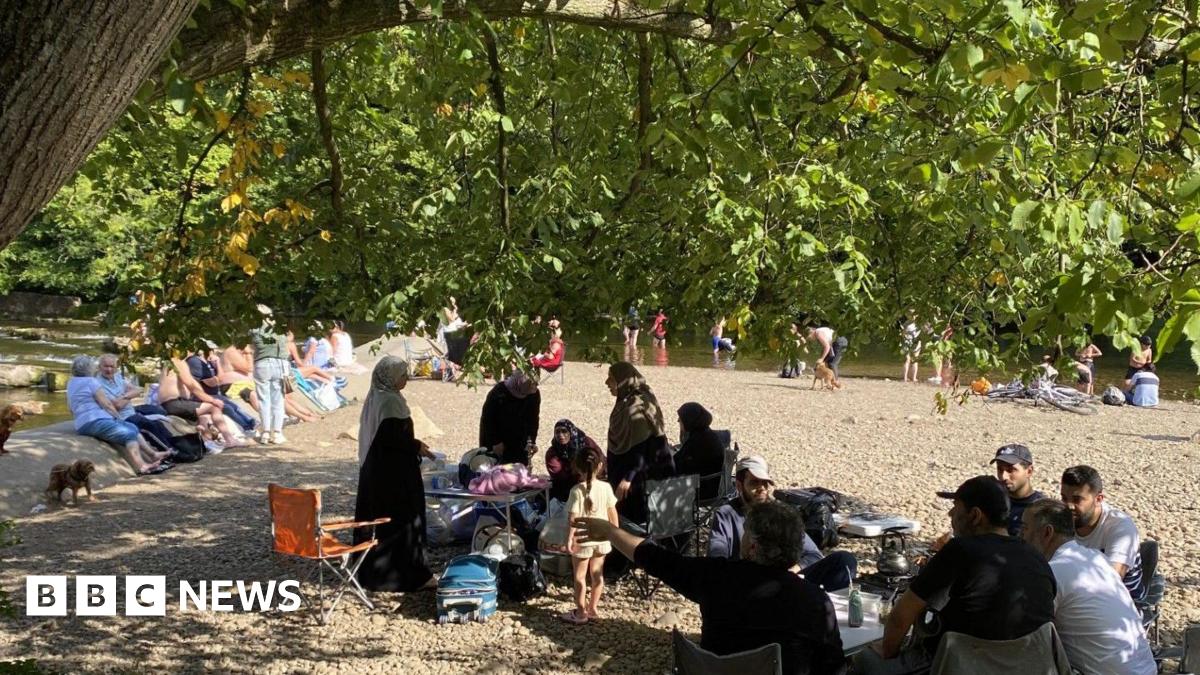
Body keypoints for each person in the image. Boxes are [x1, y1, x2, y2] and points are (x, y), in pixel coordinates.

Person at [574, 500, 846, 674]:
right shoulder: (815, 601)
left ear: (752, 546)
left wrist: (610, 531)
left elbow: (654, 558)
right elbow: (832, 667)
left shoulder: (716, 578)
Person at [853, 476, 1056, 675]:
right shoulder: (1036, 557)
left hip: (960, 664)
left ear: (975, 516)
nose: (950, 514)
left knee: (865, 659)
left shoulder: (960, 550)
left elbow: (900, 617)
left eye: (955, 508)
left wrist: (887, 653)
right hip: (1028, 665)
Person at [1020, 500, 1157, 675]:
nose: (1020, 536)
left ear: (1047, 533)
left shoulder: (1053, 573)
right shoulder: (1096, 559)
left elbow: (1026, 632)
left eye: (1024, 529)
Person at [709, 456, 856, 591]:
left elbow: (813, 555)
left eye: (765, 483)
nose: (761, 488)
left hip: (784, 580)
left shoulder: (780, 512)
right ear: (739, 486)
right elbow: (717, 560)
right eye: (754, 483)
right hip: (747, 583)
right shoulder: (726, 514)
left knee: (844, 560)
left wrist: (791, 572)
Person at [353, 356, 437, 591]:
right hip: (394, 475)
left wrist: (414, 444)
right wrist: (416, 446)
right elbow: (393, 440)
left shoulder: (377, 397)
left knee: (381, 519)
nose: (406, 379)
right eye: (402, 375)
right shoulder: (389, 401)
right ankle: (406, 575)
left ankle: (373, 574)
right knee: (403, 520)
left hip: (377, 470)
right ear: (390, 378)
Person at [67, 356, 168, 475]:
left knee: (132, 427)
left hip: (82, 423)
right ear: (90, 368)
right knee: (129, 434)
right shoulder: (91, 382)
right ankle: (142, 466)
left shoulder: (71, 382)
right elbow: (107, 404)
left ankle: (153, 455)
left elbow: (71, 408)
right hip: (95, 420)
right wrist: (118, 417)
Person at [1060, 465, 1145, 600]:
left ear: (1098, 499)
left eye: (1077, 500)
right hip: (1075, 597)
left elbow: (1111, 580)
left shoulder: (1120, 527)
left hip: (1122, 603)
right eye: (1064, 498)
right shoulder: (1061, 520)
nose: (1068, 506)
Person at [604, 361, 673, 522]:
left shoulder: (635, 408)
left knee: (632, 522)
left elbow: (641, 448)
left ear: (623, 381)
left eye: (611, 379)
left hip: (640, 478)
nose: (606, 383)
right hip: (626, 470)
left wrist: (628, 478)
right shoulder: (626, 401)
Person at [561, 449, 619, 625]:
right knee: (597, 574)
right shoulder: (606, 487)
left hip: (582, 539)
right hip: (602, 537)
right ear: (600, 466)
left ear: (577, 467)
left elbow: (573, 519)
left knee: (580, 577)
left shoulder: (576, 491)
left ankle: (580, 612)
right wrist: (615, 533)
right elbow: (613, 513)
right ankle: (593, 608)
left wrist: (569, 539)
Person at [95, 354, 179, 453]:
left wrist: (124, 396)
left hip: (131, 411)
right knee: (148, 424)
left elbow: (138, 390)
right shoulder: (97, 383)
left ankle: (177, 445)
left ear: (116, 367)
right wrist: (130, 395)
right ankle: (170, 451)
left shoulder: (117, 377)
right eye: (106, 366)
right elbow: (117, 406)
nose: (109, 370)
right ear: (99, 367)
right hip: (121, 417)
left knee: (159, 419)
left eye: (111, 366)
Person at [157, 357, 247, 447]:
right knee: (214, 408)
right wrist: (212, 400)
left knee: (204, 416)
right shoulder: (177, 362)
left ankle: (207, 442)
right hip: (173, 403)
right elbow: (191, 384)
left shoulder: (168, 364)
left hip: (169, 403)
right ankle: (230, 440)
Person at [185, 343, 257, 433]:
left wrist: (218, 363)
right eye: (211, 350)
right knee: (227, 407)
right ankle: (246, 426)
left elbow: (220, 377)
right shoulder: (195, 361)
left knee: (232, 405)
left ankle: (250, 422)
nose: (213, 352)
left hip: (213, 394)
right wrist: (216, 379)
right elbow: (211, 383)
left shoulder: (208, 362)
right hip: (200, 395)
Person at [478, 371, 541, 465]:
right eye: (531, 384)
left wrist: (532, 441)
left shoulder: (533, 393)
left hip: (520, 438)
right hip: (497, 437)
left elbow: (533, 420)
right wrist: (495, 442)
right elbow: (488, 420)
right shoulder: (499, 392)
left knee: (518, 469)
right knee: (495, 468)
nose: (534, 388)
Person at [251, 305, 290, 445]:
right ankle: (277, 432)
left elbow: (255, 345)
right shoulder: (280, 328)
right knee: (278, 399)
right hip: (280, 363)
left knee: (264, 399)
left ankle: (266, 432)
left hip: (262, 363)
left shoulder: (254, 329)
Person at [672, 402, 725, 500]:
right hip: (710, 485)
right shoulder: (705, 434)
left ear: (689, 420)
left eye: (681, 419)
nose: (678, 421)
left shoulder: (699, 441)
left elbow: (679, 465)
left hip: (701, 490)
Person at [991, 443, 1045, 537]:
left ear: (1029, 471)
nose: (1004, 476)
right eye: (1000, 469)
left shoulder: (1041, 509)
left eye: (1011, 470)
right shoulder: (993, 503)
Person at [545, 419, 604, 502]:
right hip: (569, 489)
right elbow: (561, 477)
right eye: (557, 432)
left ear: (571, 432)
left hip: (594, 478)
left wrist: (593, 477)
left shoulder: (586, 442)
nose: (560, 435)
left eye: (564, 431)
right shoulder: (552, 453)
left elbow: (600, 458)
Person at [900, 315, 922, 383]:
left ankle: (914, 378)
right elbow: (902, 333)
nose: (913, 317)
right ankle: (905, 378)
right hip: (907, 342)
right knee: (907, 359)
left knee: (914, 360)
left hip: (916, 343)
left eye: (914, 315)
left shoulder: (920, 323)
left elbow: (926, 332)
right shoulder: (906, 323)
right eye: (911, 315)